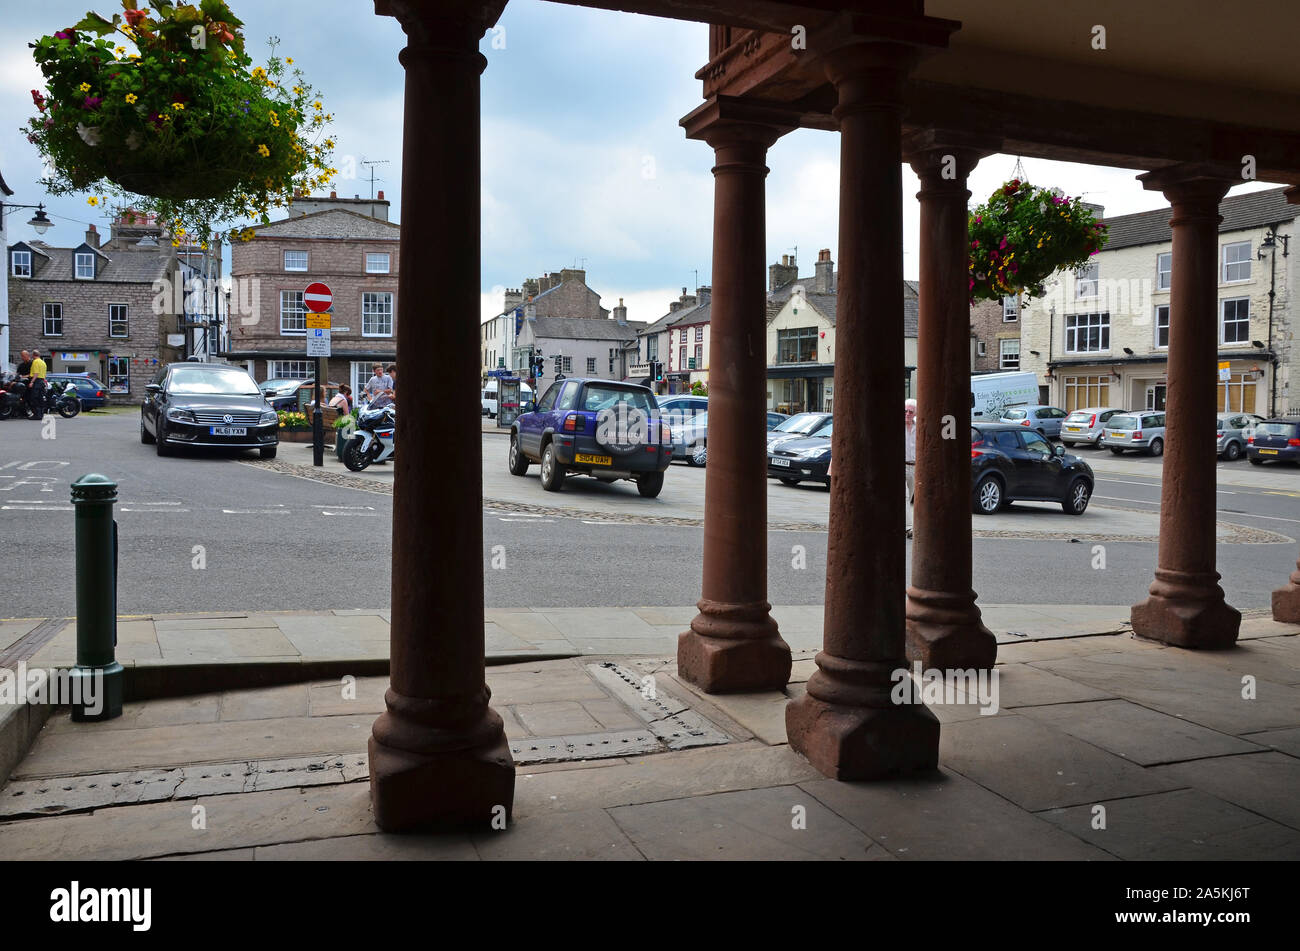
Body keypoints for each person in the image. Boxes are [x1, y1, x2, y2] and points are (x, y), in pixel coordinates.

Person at [904, 398, 917, 538]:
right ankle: (909, 528)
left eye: (911, 412)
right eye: (905, 411)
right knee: (905, 497)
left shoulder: (918, 426)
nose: (907, 413)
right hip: (901, 465)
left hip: (914, 467)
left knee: (910, 497)